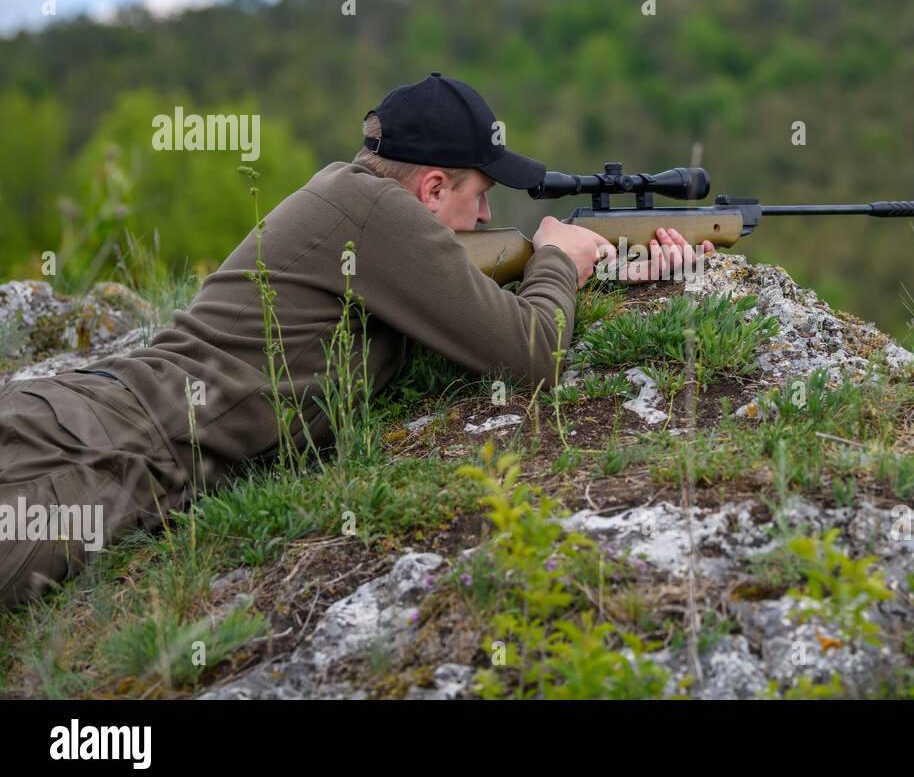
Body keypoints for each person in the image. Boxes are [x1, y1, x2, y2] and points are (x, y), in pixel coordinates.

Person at [0, 72, 712, 609]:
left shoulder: (356, 198)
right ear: (432, 189)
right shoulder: (375, 212)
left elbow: (471, 310)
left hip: (99, 437)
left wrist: (622, 266)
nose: (489, 215)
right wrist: (557, 260)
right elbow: (530, 353)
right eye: (479, 197)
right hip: (85, 451)